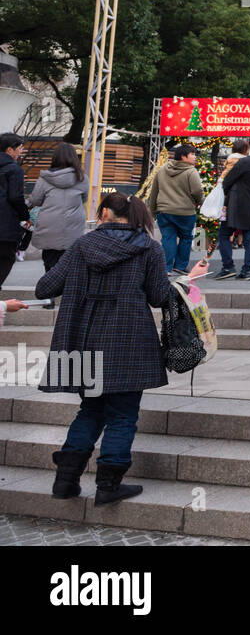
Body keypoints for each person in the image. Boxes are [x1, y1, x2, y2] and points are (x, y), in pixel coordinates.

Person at [31, 192, 208, 504]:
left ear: (104, 214)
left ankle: (65, 480)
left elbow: (45, 288)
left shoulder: (84, 245)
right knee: (123, 415)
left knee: (90, 409)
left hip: (83, 338)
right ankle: (109, 486)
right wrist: (186, 281)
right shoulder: (149, 248)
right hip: (130, 340)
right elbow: (157, 296)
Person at [28, 142, 91, 278]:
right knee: (69, 261)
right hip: (73, 224)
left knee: (50, 260)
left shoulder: (45, 178)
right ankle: (67, 293)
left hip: (49, 224)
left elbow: (36, 200)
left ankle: (50, 292)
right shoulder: (82, 178)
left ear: (55, 158)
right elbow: (84, 199)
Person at [215, 133, 250, 280]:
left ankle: (228, 266)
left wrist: (228, 193)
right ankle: (247, 270)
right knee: (249, 237)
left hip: (237, 202)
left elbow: (227, 181)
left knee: (224, 234)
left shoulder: (245, 162)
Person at [147, 144, 203, 275]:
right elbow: (197, 191)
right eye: (193, 154)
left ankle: (166, 268)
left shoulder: (162, 170)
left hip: (164, 211)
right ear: (184, 156)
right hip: (185, 212)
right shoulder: (191, 171)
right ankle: (180, 266)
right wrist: (201, 202)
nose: (195, 157)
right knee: (186, 238)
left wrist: (152, 211)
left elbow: (154, 192)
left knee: (168, 238)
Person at [0, 133, 29, 292]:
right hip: (5, 226)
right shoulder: (14, 169)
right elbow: (15, 197)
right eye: (19, 148)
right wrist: (25, 216)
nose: (21, 151)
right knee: (6, 258)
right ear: (9, 149)